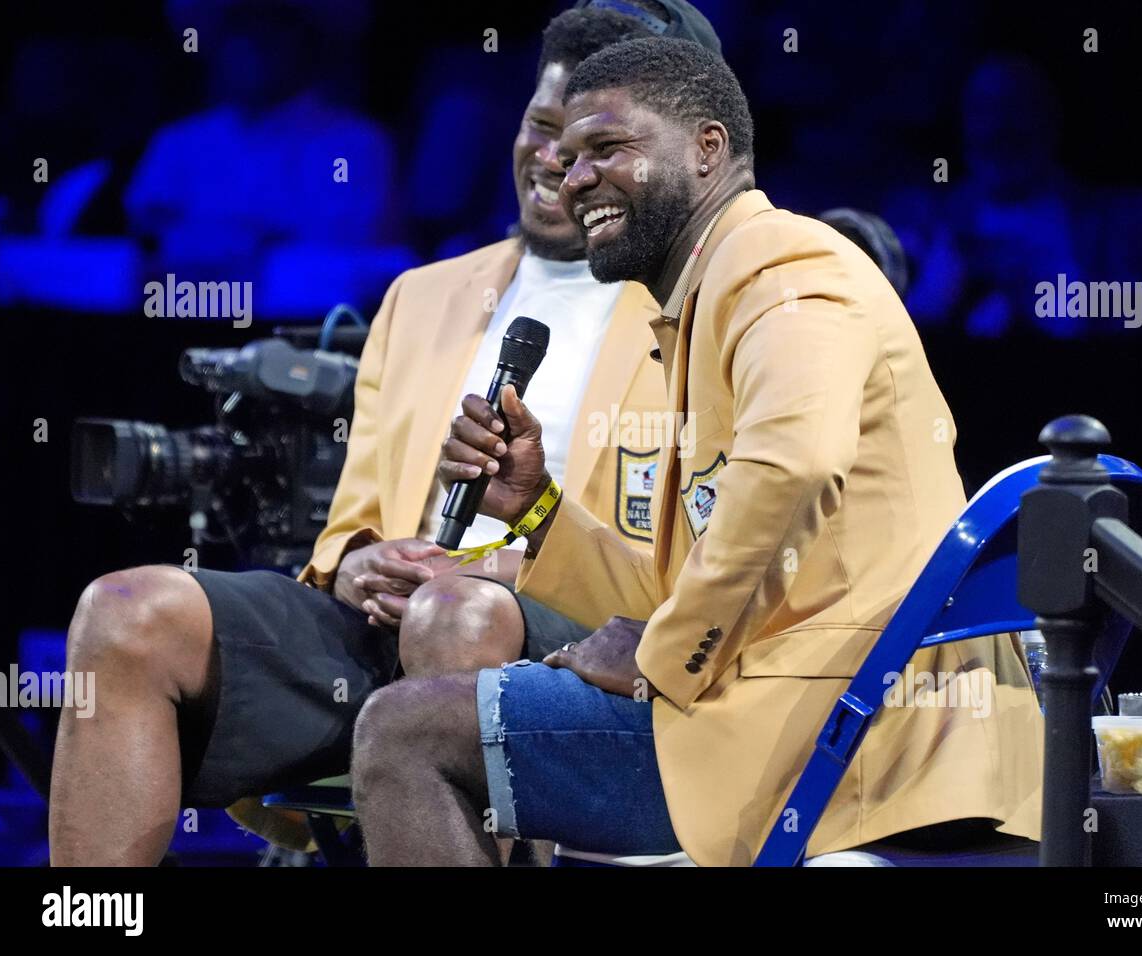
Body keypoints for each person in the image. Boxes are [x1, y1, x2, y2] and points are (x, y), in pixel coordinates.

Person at [47, 4, 729, 866]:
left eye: (595, 142)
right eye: (542, 125)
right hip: (390, 630)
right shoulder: (421, 297)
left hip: (584, 654)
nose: (556, 158)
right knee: (125, 613)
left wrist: (504, 569)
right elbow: (352, 521)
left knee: (456, 611)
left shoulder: (708, 312)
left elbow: (715, 565)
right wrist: (359, 563)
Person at [350, 37, 1043, 867]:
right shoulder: (702, 303)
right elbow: (686, 584)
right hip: (810, 721)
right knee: (427, 722)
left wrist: (660, 656)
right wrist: (537, 510)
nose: (573, 179)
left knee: (403, 731)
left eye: (607, 147)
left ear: (707, 148)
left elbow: (794, 470)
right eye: (567, 160)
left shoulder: (783, 264)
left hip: (846, 743)